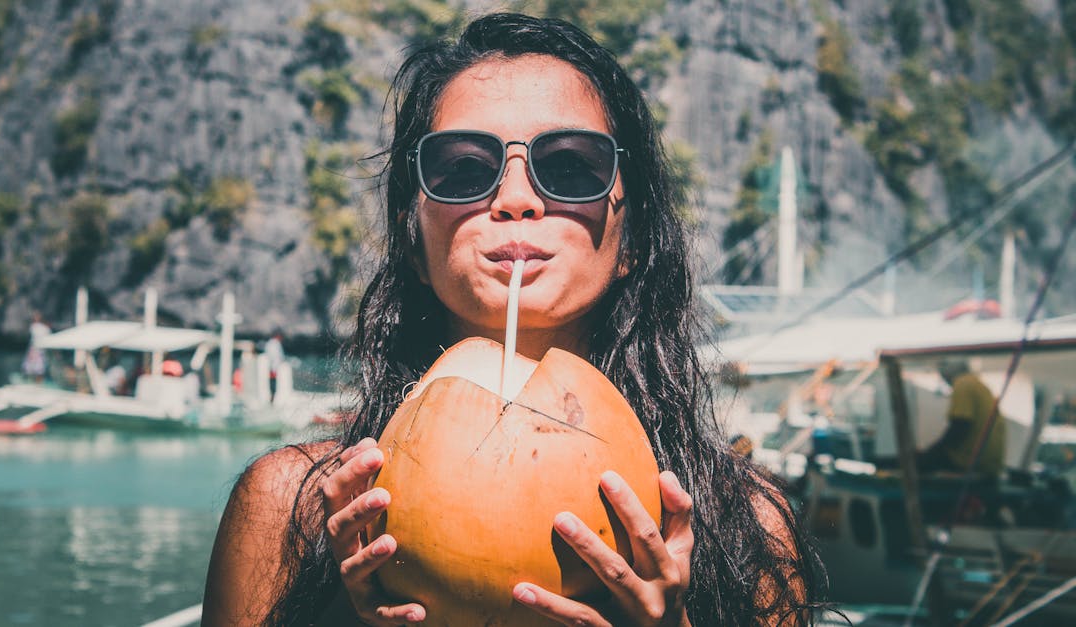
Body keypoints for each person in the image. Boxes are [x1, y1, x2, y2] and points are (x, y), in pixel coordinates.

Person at [203, 13, 824, 626]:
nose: (516, 199)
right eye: (464, 168)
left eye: (572, 165)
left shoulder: (750, 523)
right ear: (413, 239)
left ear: (631, 237)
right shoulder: (289, 504)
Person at [918, 358, 1006, 478]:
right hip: (990, 464)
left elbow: (959, 427)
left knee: (915, 464)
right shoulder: (978, 384)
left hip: (971, 462)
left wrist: (930, 453)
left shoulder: (962, 384)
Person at [21, 311, 51, 383]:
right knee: (34, 366)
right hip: (36, 348)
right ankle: (34, 381)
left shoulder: (37, 327)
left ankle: (37, 381)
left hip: (39, 349)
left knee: (38, 367)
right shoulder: (37, 327)